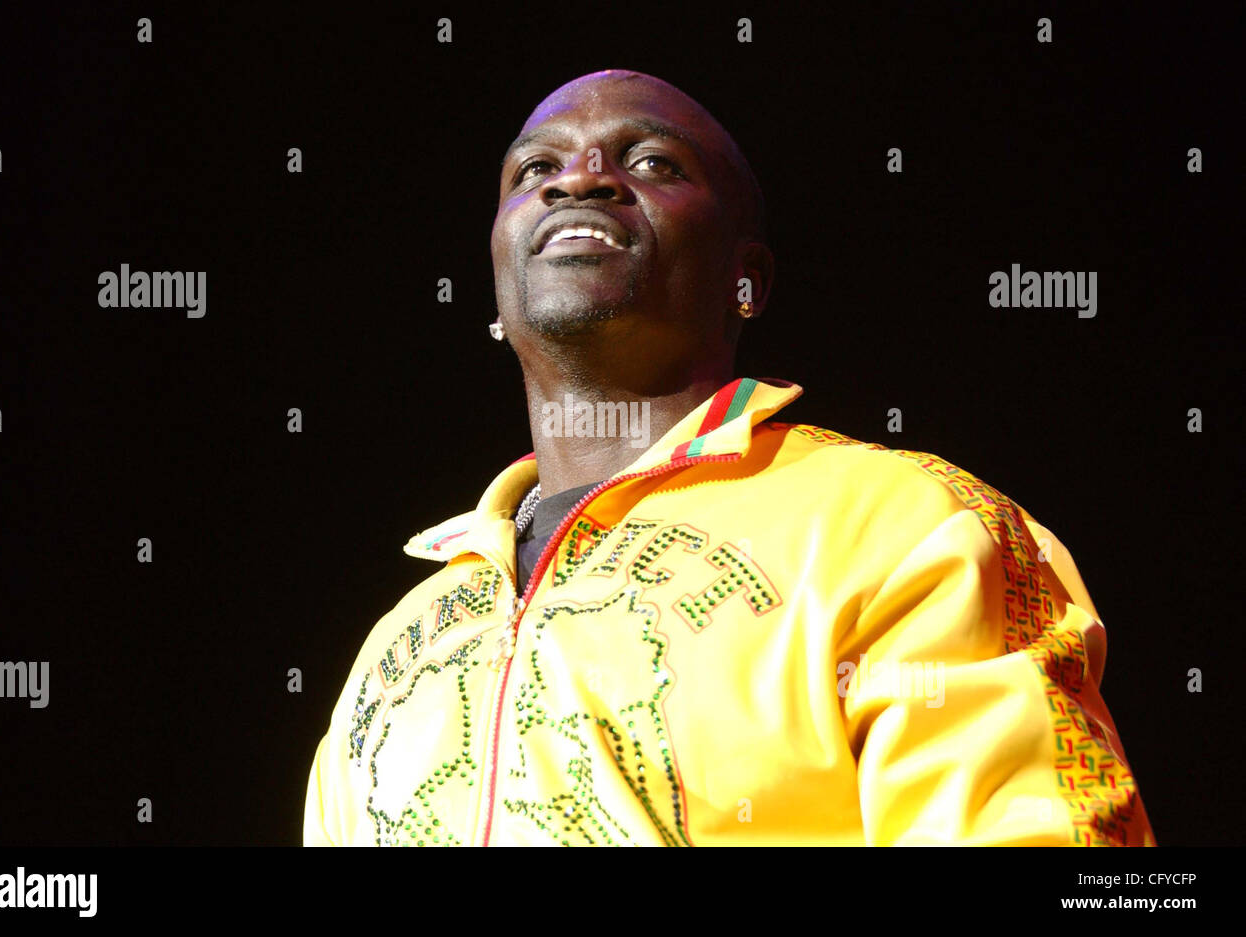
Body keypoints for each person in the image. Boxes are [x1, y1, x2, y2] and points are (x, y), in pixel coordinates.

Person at [303, 69, 1155, 846]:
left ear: (745, 278)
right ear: (496, 293)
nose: (580, 177)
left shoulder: (908, 524)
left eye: (652, 162)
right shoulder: (398, 646)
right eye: (534, 170)